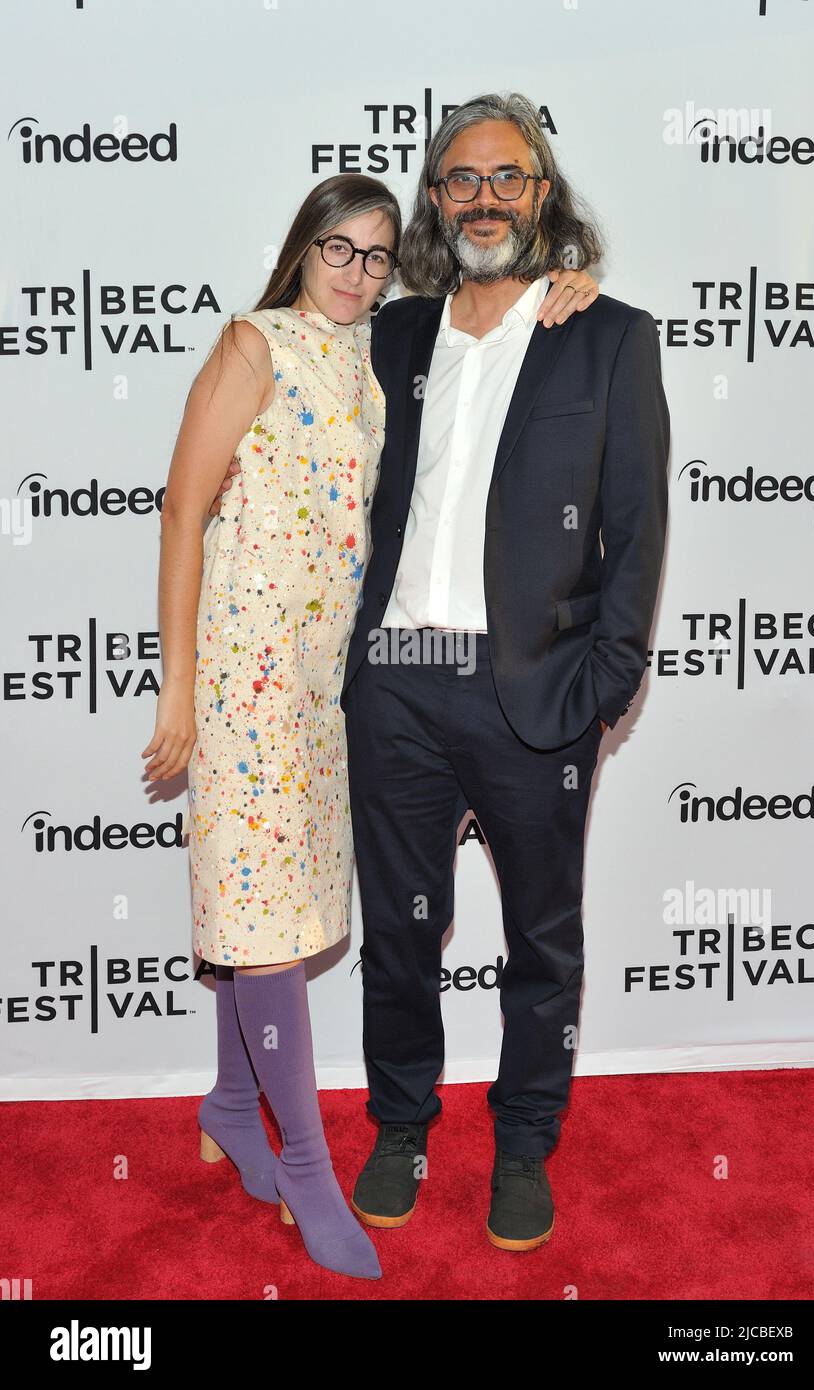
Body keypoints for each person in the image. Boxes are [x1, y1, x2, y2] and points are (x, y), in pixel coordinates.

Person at [145, 171, 599, 1280]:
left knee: (276, 916)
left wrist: (570, 279)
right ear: (301, 250)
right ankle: (303, 1158)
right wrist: (177, 684)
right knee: (259, 924)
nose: (354, 273)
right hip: (244, 687)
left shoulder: (385, 351)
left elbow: (494, 331)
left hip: (332, 690)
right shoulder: (253, 345)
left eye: (376, 254)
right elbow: (183, 508)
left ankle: (228, 1104)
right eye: (335, 250)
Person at [336, 93, 670, 1254]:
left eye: (508, 177)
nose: (485, 197)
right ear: (437, 201)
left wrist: (607, 676)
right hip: (399, 682)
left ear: (542, 194)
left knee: (543, 937)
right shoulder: (394, 335)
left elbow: (634, 523)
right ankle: (400, 1123)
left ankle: (525, 1141)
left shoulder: (608, 333)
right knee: (398, 930)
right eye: (462, 179)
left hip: (535, 691)